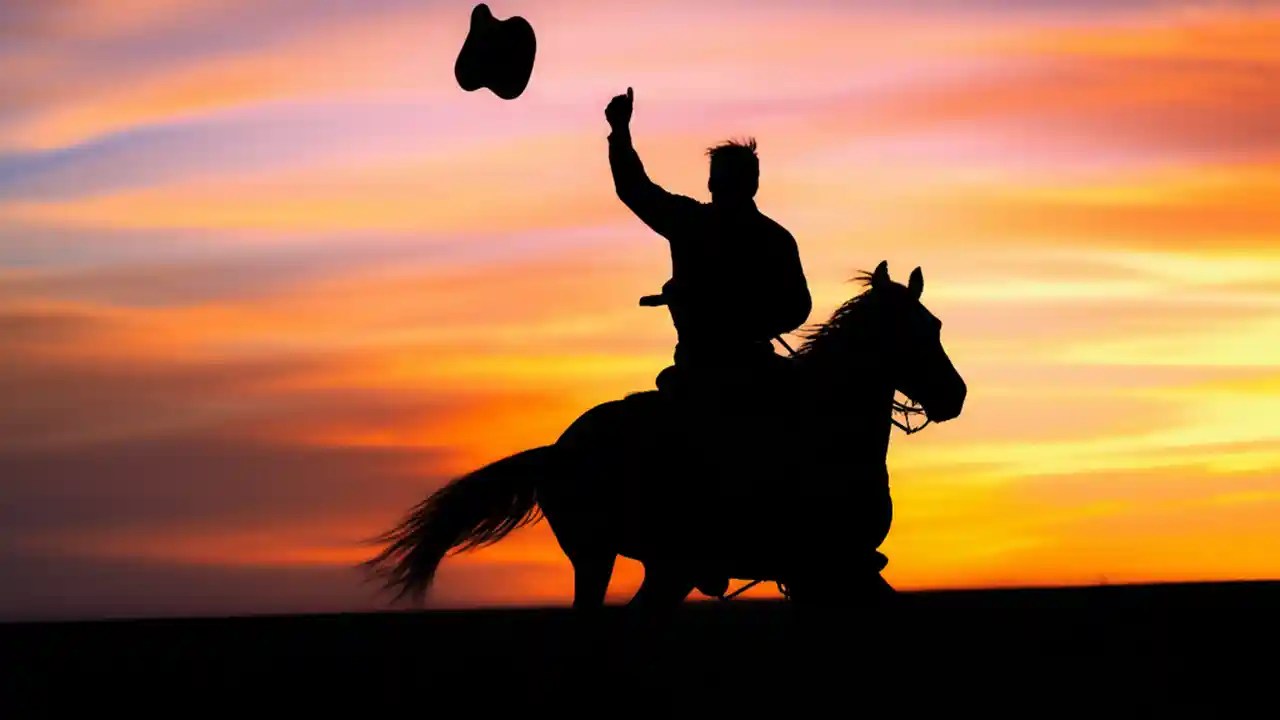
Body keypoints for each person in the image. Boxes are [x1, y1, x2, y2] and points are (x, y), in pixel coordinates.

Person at [606, 87, 812, 597]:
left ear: (719, 183)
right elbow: (798, 308)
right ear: (752, 183)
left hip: (706, 367)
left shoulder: (693, 222)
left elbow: (635, 189)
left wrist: (620, 134)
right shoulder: (770, 237)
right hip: (731, 369)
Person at [606, 88, 811, 403]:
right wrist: (619, 134)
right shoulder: (701, 222)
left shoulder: (698, 223)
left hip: (741, 365)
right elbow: (635, 189)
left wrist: (620, 132)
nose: (721, 189)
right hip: (704, 369)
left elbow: (797, 307)